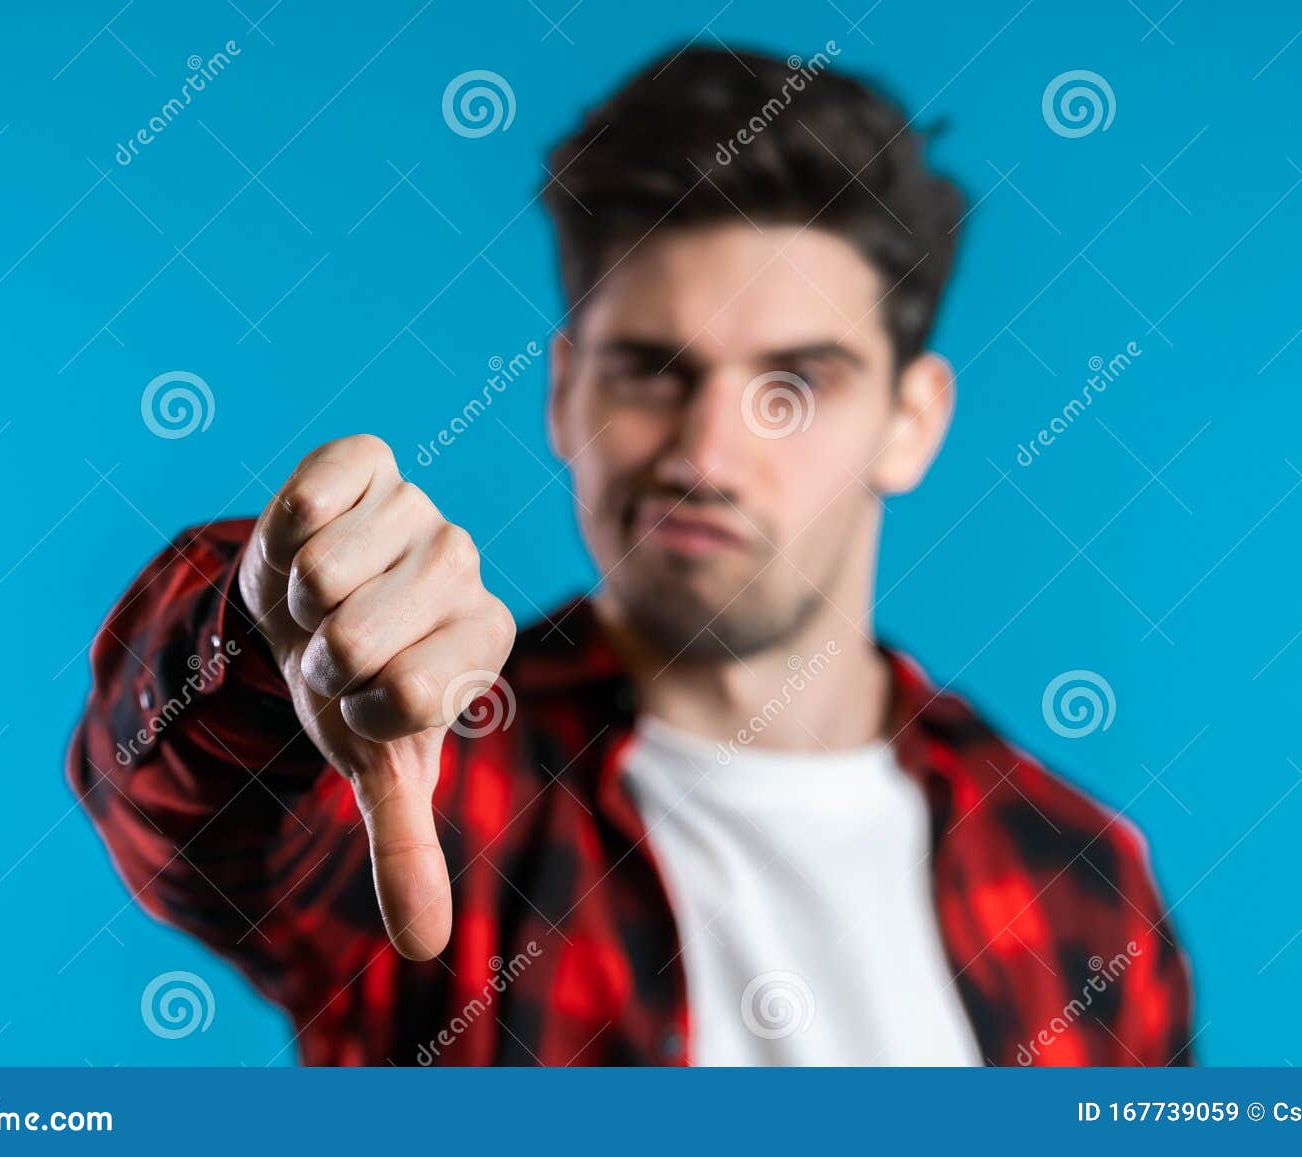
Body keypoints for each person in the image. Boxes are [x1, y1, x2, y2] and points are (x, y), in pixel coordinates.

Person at [68, 46, 1194, 1066]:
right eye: (652, 371)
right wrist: (270, 634)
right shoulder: (428, 781)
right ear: (564, 394)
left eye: (793, 385)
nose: (704, 454)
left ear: (912, 419)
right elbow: (179, 799)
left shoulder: (1078, 878)